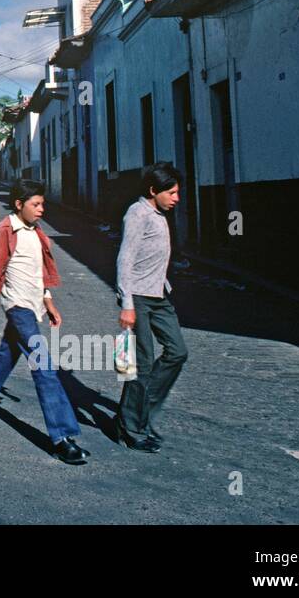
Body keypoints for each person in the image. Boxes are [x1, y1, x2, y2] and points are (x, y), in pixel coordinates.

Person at [0, 179, 89, 465]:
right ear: (19, 205)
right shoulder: (5, 231)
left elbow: (35, 272)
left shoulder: (34, 231)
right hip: (17, 308)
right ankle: (62, 438)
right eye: (35, 204)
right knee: (45, 367)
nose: (41, 210)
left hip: (31, 305)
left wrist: (48, 301)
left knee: (5, 358)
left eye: (42, 205)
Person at [114, 162, 188, 454]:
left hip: (159, 296)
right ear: (153, 191)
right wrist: (127, 304)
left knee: (178, 351)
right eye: (171, 192)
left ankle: (139, 413)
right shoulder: (137, 213)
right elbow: (125, 258)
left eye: (178, 192)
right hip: (139, 299)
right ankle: (130, 428)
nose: (176, 198)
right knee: (141, 364)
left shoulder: (159, 213)